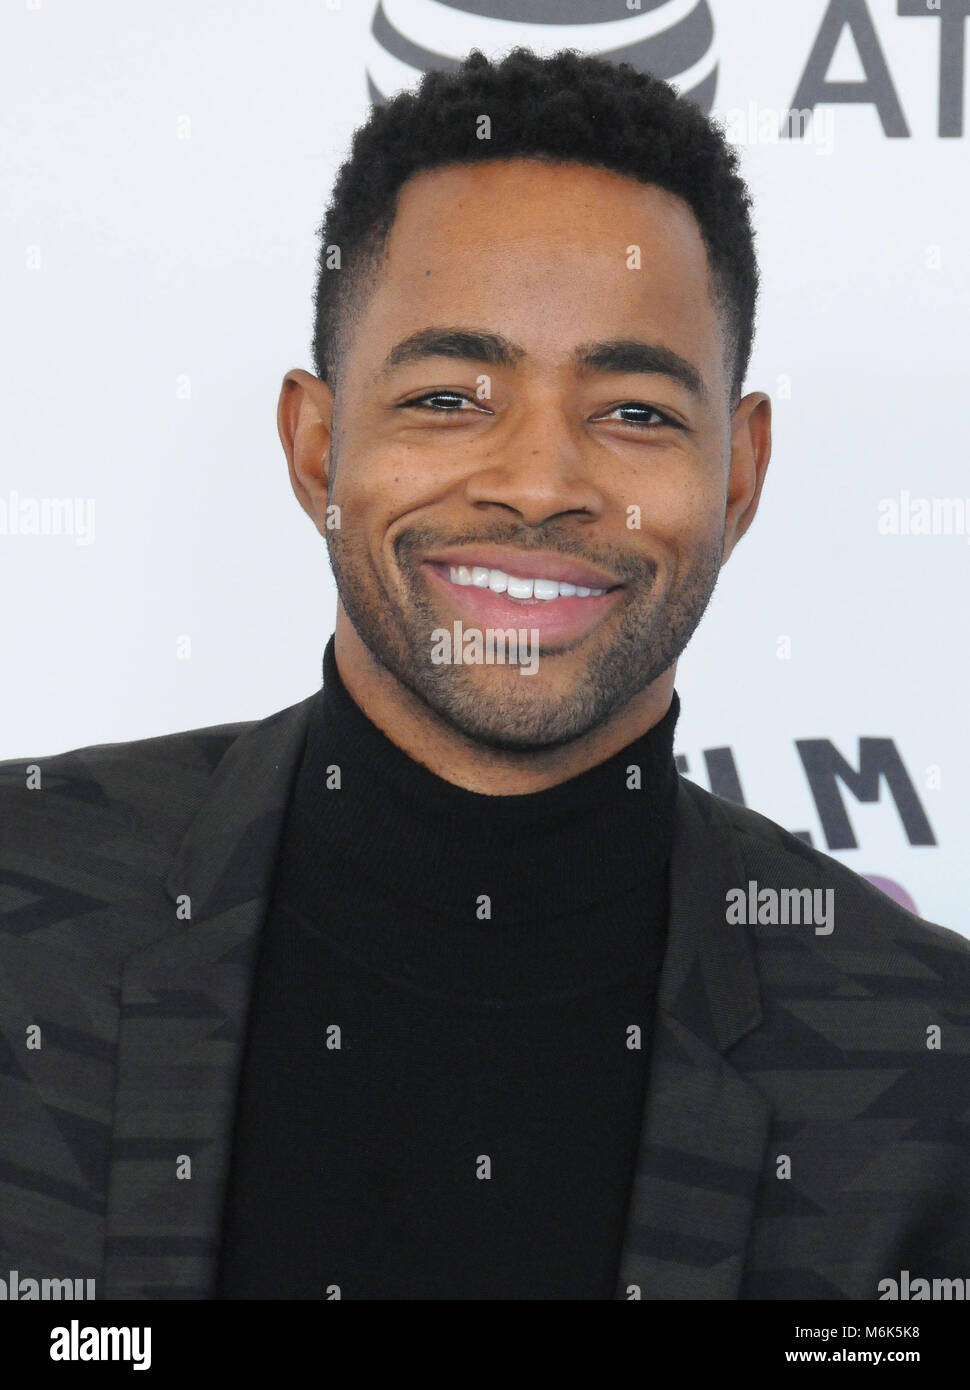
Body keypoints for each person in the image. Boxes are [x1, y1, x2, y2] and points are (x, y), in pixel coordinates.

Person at [2, 48, 968, 1303]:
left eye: (633, 412)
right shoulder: (26, 898)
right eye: (451, 395)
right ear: (316, 447)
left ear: (737, 477)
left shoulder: (922, 1063)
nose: (539, 482)